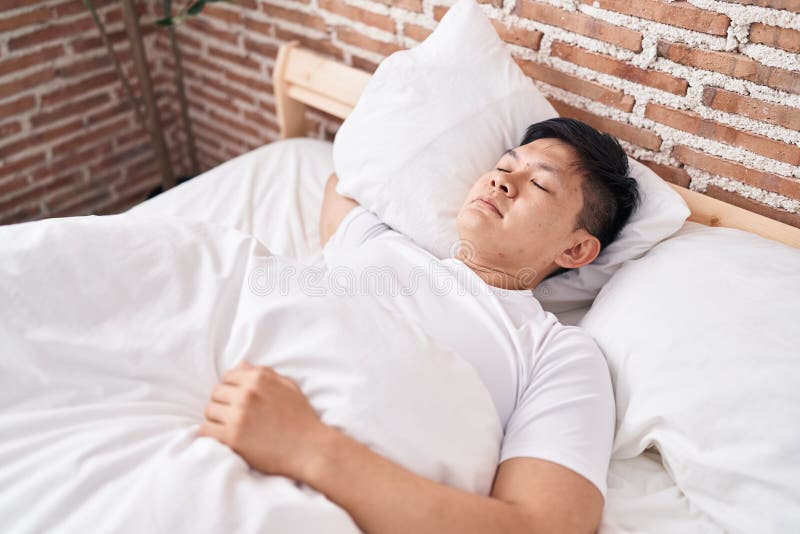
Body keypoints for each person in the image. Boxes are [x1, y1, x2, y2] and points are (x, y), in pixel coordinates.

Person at [198, 117, 640, 534]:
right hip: (207, 388)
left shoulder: (554, 352)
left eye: (539, 183)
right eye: (504, 165)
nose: (501, 180)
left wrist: (308, 447)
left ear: (577, 250)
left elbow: (543, 524)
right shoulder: (379, 243)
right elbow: (342, 180)